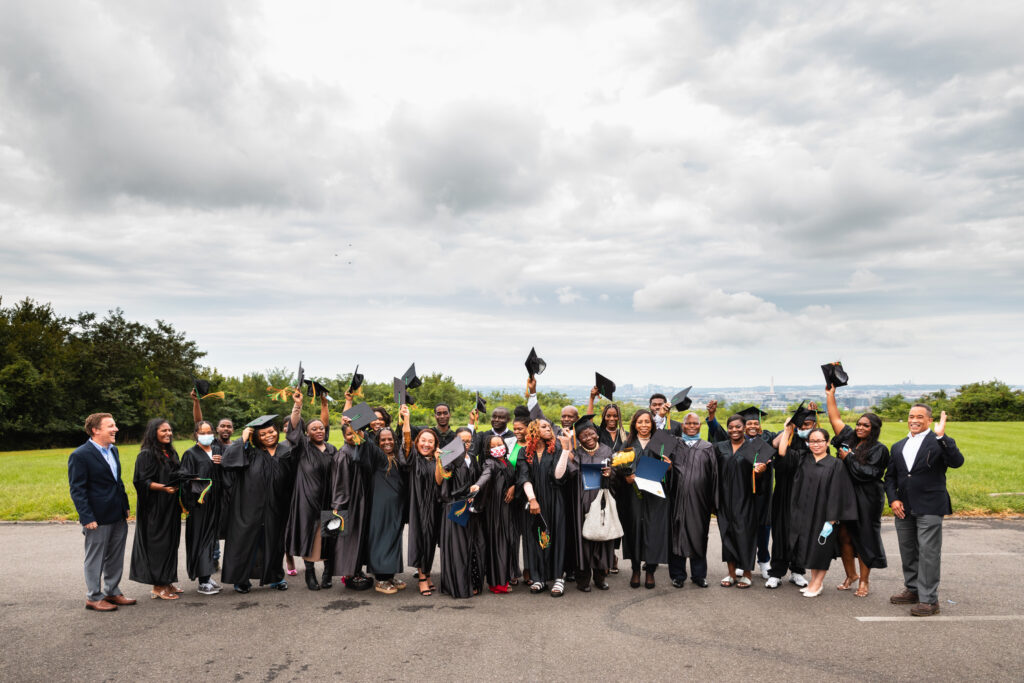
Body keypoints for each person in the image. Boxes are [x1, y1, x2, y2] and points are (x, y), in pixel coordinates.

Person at [885, 404, 964, 616]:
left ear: (929, 420)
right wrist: (893, 499)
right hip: (903, 507)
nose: (914, 420)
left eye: (920, 417)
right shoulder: (898, 446)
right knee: (908, 550)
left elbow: (957, 462)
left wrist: (942, 437)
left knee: (928, 553)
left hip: (930, 505)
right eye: (911, 416)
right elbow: (890, 477)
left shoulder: (938, 442)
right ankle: (913, 589)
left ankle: (929, 600)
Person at [776, 424, 857, 598]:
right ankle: (813, 581)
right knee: (809, 549)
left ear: (827, 442)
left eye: (820, 441)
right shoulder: (803, 459)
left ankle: (817, 583)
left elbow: (839, 493)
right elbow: (782, 452)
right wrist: (787, 431)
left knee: (821, 550)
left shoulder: (836, 464)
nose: (816, 444)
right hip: (803, 514)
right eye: (812, 441)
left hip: (824, 515)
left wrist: (832, 520)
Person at [825, 386, 889, 597]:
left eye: (866, 425)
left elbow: (869, 473)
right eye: (859, 424)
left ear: (874, 429)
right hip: (845, 495)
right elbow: (835, 419)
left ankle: (864, 581)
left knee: (863, 539)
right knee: (843, 536)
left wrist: (849, 458)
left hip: (866, 497)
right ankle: (851, 575)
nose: (860, 427)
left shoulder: (879, 449)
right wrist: (830, 395)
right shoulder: (849, 439)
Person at [220, 415, 295, 593]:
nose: (269, 435)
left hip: (276, 507)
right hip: (249, 507)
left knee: (274, 543)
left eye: (271, 431)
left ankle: (275, 578)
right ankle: (241, 580)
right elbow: (227, 462)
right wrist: (242, 439)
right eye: (263, 434)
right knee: (245, 542)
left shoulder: (285, 452)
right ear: (257, 437)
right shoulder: (250, 453)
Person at [67, 413, 135, 612]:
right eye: (110, 426)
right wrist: (86, 517)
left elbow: (117, 481)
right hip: (97, 517)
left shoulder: (113, 450)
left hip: (117, 513)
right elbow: (77, 489)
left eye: (115, 425)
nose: (116, 429)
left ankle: (112, 591)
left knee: (115, 556)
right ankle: (93, 597)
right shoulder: (80, 455)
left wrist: (125, 505)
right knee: (95, 558)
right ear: (95, 430)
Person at [284, 390, 336, 591]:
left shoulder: (332, 449)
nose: (319, 431)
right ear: (307, 433)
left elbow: (326, 421)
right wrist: (297, 405)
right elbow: (293, 426)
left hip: (330, 498)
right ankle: (310, 574)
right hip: (307, 499)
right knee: (309, 536)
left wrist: (325, 404)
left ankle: (328, 573)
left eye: (321, 428)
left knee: (331, 535)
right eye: (314, 429)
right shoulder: (302, 448)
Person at [714, 414, 772, 588]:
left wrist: (761, 472)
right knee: (727, 536)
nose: (734, 430)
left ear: (744, 428)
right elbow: (713, 471)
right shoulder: (720, 447)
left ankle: (747, 573)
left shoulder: (754, 448)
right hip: (724, 499)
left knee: (745, 536)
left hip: (746, 499)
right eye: (731, 427)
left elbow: (761, 479)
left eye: (738, 427)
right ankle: (731, 573)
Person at [351, 419, 409, 594]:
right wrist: (357, 427)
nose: (387, 442)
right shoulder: (377, 456)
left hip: (396, 507)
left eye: (390, 439)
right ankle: (381, 579)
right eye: (383, 439)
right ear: (378, 442)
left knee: (394, 539)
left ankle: (389, 575)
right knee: (380, 539)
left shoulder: (398, 457)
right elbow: (366, 443)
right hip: (380, 506)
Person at [617, 409, 672, 589]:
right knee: (634, 530)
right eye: (640, 422)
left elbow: (670, 468)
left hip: (656, 495)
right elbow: (619, 467)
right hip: (634, 495)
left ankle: (650, 571)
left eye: (647, 422)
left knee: (653, 531)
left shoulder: (661, 443)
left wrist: (668, 468)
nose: (643, 425)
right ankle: (635, 570)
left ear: (652, 424)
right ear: (634, 424)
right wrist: (626, 477)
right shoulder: (628, 444)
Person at [129, 418, 183, 601]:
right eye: (163, 431)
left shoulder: (170, 452)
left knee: (171, 543)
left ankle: (167, 581)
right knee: (158, 546)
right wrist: (164, 488)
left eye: (169, 430)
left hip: (171, 506)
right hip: (154, 508)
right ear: (154, 433)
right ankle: (158, 586)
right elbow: (141, 481)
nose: (168, 433)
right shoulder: (146, 455)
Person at [520, 419, 573, 596]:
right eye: (544, 427)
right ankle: (539, 578)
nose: (548, 429)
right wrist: (532, 499)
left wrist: (565, 450)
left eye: (549, 427)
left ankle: (558, 578)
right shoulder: (524, 452)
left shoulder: (556, 448)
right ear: (534, 430)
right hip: (535, 499)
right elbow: (524, 477)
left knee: (557, 536)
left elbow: (558, 476)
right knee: (538, 537)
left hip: (555, 498)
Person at [561, 420, 615, 591]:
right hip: (581, 501)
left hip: (601, 499)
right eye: (584, 436)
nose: (589, 437)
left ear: (597, 434)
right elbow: (571, 473)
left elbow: (616, 474)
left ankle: (600, 577)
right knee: (583, 539)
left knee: (601, 538)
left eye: (591, 433)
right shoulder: (576, 453)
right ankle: (583, 579)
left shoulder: (607, 451)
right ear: (579, 439)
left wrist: (611, 473)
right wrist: (570, 454)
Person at [764, 406, 814, 591]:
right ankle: (776, 573)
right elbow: (779, 450)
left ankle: (797, 571)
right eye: (801, 424)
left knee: (801, 535)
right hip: (784, 494)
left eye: (808, 424)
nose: (804, 427)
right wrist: (788, 428)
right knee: (780, 534)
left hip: (804, 496)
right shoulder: (789, 440)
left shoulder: (815, 444)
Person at [667, 412, 717, 589]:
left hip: (700, 500)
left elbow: (714, 475)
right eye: (688, 423)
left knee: (699, 535)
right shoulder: (674, 444)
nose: (691, 426)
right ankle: (678, 575)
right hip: (677, 498)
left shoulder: (707, 447)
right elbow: (663, 462)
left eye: (695, 423)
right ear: (682, 426)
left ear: (700, 426)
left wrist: (714, 502)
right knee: (676, 536)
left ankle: (699, 575)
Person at [469, 435, 521, 593]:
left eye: (500, 444)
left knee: (508, 542)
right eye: (493, 446)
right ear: (488, 449)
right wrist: (477, 485)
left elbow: (514, 478)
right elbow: (486, 475)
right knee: (498, 544)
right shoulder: (489, 462)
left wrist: (513, 487)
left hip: (508, 508)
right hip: (496, 510)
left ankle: (505, 578)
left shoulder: (506, 462)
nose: (498, 447)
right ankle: (497, 583)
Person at [178, 420, 224, 595]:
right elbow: (184, 478)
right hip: (199, 504)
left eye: (209, 432)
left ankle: (207, 575)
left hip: (215, 502)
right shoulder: (190, 454)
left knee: (211, 540)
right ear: (196, 434)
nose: (206, 435)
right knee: (201, 540)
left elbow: (224, 474)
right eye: (202, 433)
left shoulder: (217, 450)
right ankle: (202, 581)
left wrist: (222, 463)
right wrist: (197, 490)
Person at [438, 426, 483, 598]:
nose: (466, 444)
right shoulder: (449, 456)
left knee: (472, 545)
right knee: (458, 548)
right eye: (462, 441)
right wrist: (442, 459)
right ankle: (458, 586)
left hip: (470, 505)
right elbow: (444, 480)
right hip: (455, 505)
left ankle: (471, 582)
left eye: (468, 441)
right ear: (455, 441)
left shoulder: (472, 458)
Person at [330, 415, 372, 591]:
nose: (353, 436)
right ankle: (348, 575)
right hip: (350, 502)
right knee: (348, 539)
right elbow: (340, 483)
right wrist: (339, 506)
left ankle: (356, 570)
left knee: (359, 538)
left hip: (362, 498)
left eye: (357, 432)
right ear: (343, 436)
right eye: (349, 434)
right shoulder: (343, 454)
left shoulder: (361, 448)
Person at [403, 412, 442, 596]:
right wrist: (406, 419)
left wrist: (440, 461)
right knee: (420, 540)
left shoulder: (436, 461)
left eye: (430, 442)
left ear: (435, 445)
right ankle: (421, 578)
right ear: (417, 442)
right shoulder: (413, 458)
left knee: (430, 541)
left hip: (433, 506)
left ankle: (426, 573)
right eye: (423, 440)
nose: (426, 444)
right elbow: (406, 439)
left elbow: (440, 481)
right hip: (417, 506)